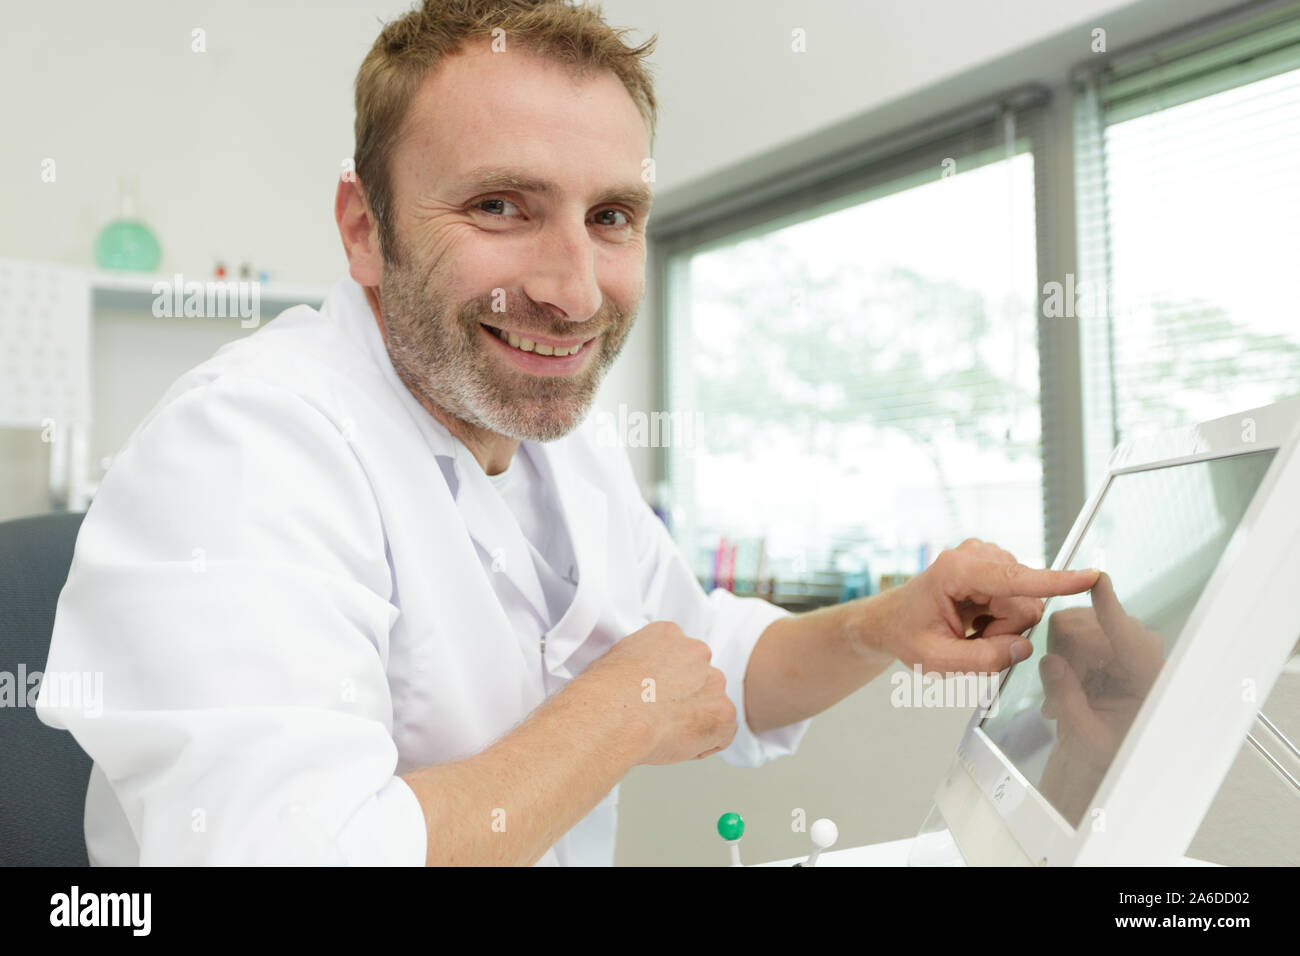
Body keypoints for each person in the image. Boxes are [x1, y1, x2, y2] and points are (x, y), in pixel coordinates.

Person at [37, 0, 1097, 866]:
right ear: (366, 228)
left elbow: (700, 655)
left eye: (610, 217)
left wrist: (883, 624)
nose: (571, 290)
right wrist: (613, 713)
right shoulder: (244, 450)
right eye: (501, 205)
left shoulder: (548, 437)